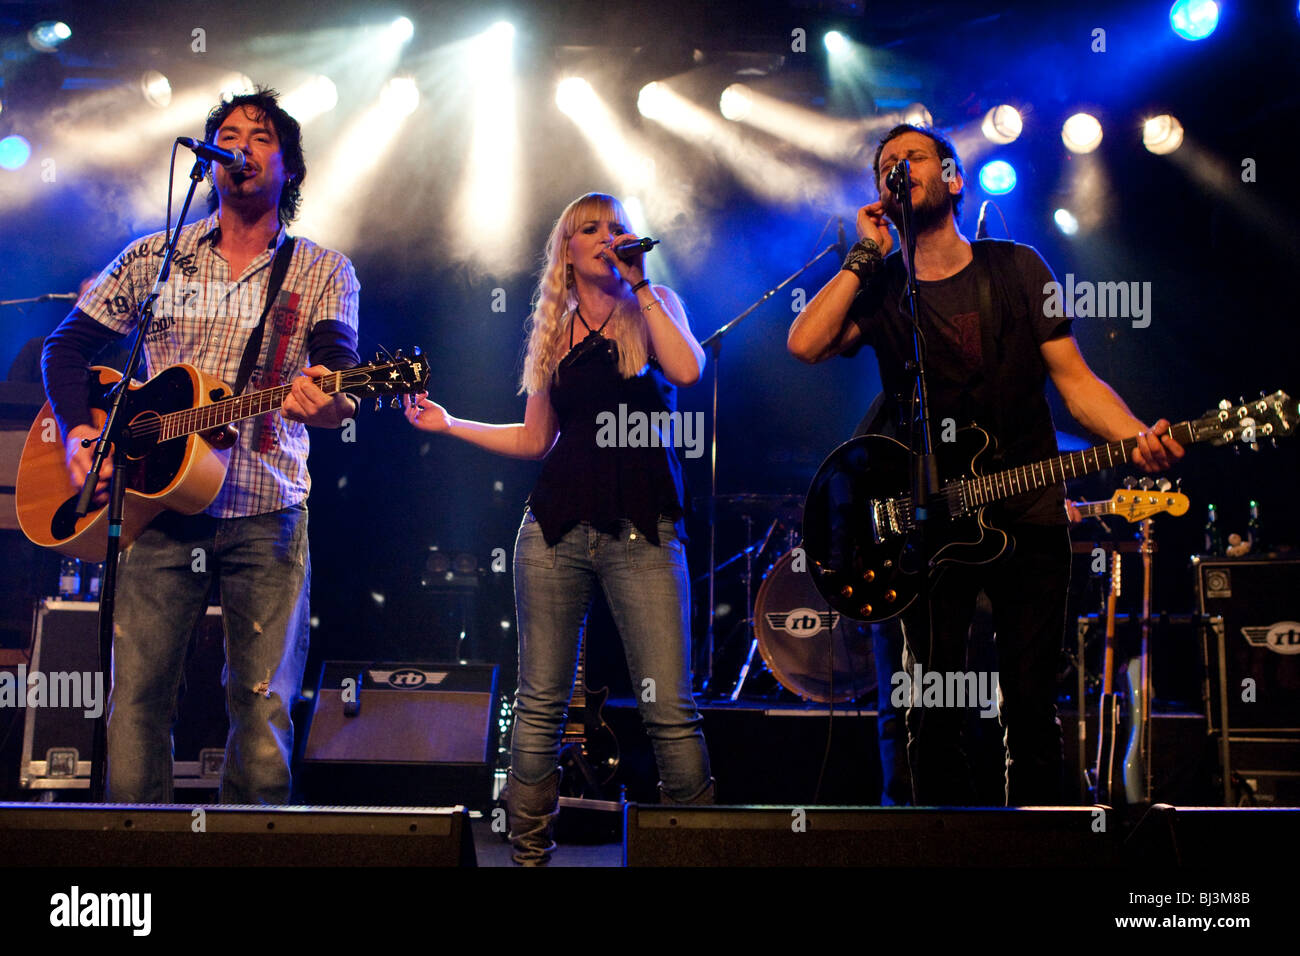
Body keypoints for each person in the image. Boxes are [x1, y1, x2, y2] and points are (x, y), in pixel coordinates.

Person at [787, 124, 1183, 806]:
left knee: (1029, 708)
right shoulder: (880, 289)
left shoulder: (1021, 268)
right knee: (934, 714)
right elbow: (805, 343)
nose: (897, 170)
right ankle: (944, 852)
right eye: (885, 165)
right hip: (928, 523)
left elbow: (1078, 385)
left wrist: (1137, 435)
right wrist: (863, 256)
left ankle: (1034, 851)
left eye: (910, 158)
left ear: (953, 177)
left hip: (1028, 513)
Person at [41, 88, 361, 804]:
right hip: (159, 506)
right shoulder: (155, 258)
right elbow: (67, 351)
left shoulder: (321, 270)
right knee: (138, 700)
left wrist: (330, 398)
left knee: (261, 706)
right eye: (227, 133)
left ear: (290, 168)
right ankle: (137, 864)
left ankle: (250, 856)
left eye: (260, 136)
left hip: (266, 508)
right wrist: (80, 429)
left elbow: (337, 377)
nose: (239, 145)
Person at [406, 192, 714, 863]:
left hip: (643, 524)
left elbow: (688, 370)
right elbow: (535, 439)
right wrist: (451, 422)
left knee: (669, 706)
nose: (609, 237)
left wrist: (641, 283)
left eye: (616, 226)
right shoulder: (554, 330)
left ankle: (698, 852)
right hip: (554, 525)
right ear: (566, 252)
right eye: (591, 229)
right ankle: (527, 857)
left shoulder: (653, 305)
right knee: (540, 702)